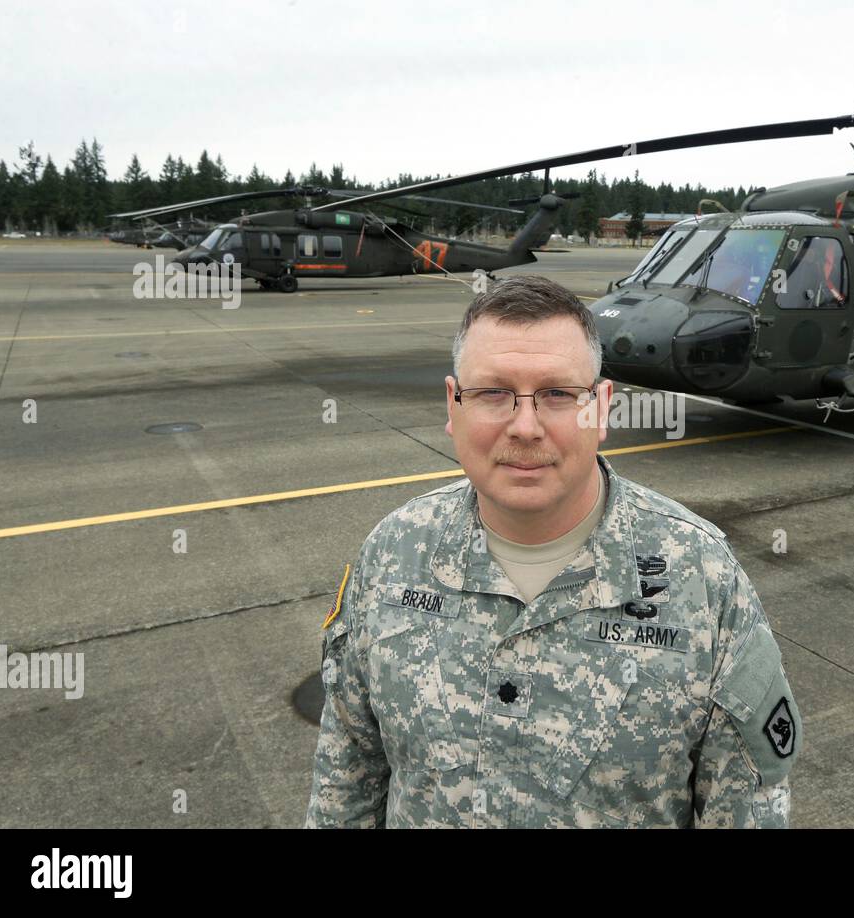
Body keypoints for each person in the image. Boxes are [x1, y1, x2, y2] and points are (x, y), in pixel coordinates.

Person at [305, 274, 800, 828]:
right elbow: (346, 776)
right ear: (454, 404)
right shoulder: (393, 553)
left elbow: (750, 811)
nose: (525, 426)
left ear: (602, 407)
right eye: (493, 393)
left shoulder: (702, 577)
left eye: (558, 395)